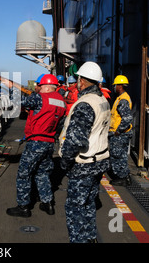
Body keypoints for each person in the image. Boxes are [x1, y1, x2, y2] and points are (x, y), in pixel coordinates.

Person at [58, 62, 111, 243]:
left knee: (75, 209)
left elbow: (75, 140)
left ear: (81, 80)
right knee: (88, 203)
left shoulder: (84, 104)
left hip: (84, 165)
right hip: (100, 160)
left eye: (78, 79)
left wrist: (64, 163)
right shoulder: (103, 100)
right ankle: (89, 238)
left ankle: (81, 240)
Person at [7, 74, 66, 218]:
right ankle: (47, 203)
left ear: (45, 86)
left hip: (36, 142)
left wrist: (11, 89)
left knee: (24, 173)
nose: (37, 88)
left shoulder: (40, 97)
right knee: (43, 173)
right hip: (50, 142)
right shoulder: (61, 102)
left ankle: (23, 207)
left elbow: (19, 103)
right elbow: (60, 125)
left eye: (39, 86)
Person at [108, 75, 133, 186]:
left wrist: (119, 130)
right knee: (121, 155)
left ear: (120, 86)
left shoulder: (122, 100)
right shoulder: (122, 97)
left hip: (120, 134)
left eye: (115, 85)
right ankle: (125, 176)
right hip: (121, 133)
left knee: (117, 156)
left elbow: (127, 118)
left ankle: (121, 177)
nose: (114, 87)